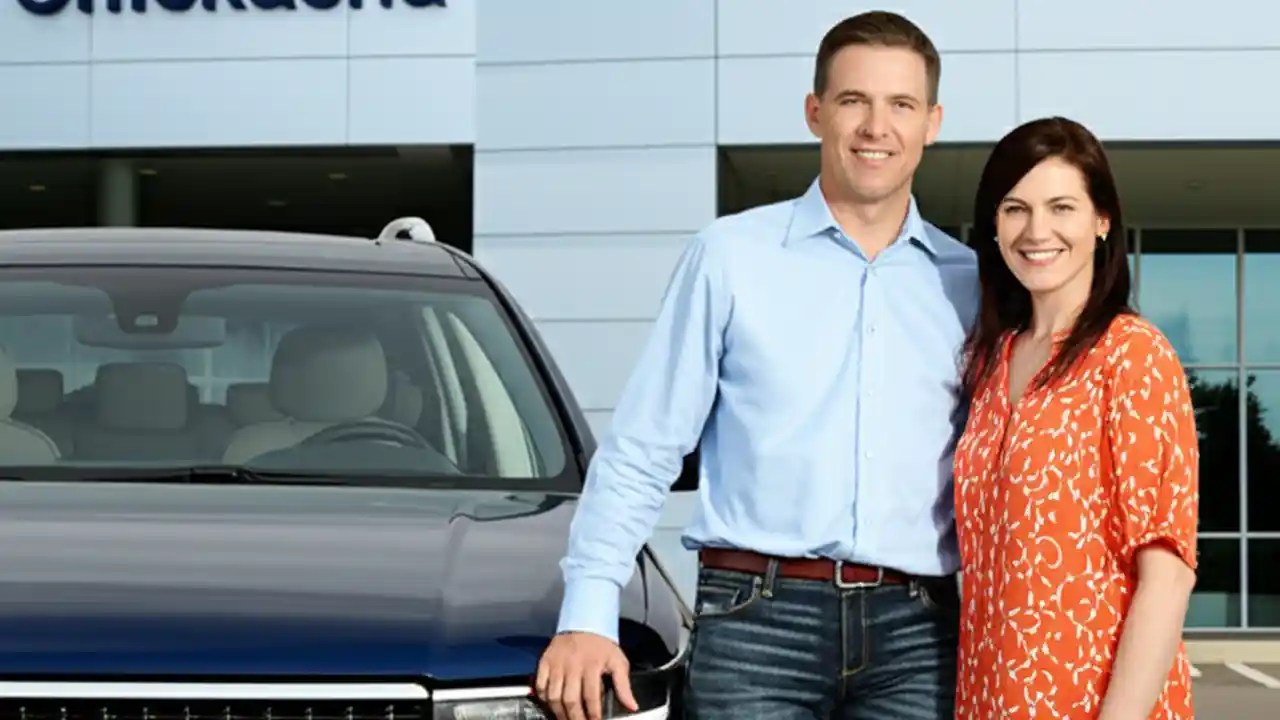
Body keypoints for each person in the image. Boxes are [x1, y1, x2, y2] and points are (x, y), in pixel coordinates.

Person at [535, 10, 979, 720]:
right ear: (814, 112)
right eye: (852, 100)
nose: (876, 126)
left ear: (932, 122)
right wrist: (587, 613)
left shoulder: (970, 285)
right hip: (756, 624)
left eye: (900, 104)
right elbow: (644, 450)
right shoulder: (731, 256)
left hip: (920, 633)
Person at [952, 116, 1200, 719]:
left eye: (1061, 207)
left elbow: (1165, 575)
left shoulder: (1132, 355)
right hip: (989, 701)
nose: (1037, 230)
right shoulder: (990, 362)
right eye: (1016, 209)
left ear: (1101, 220)